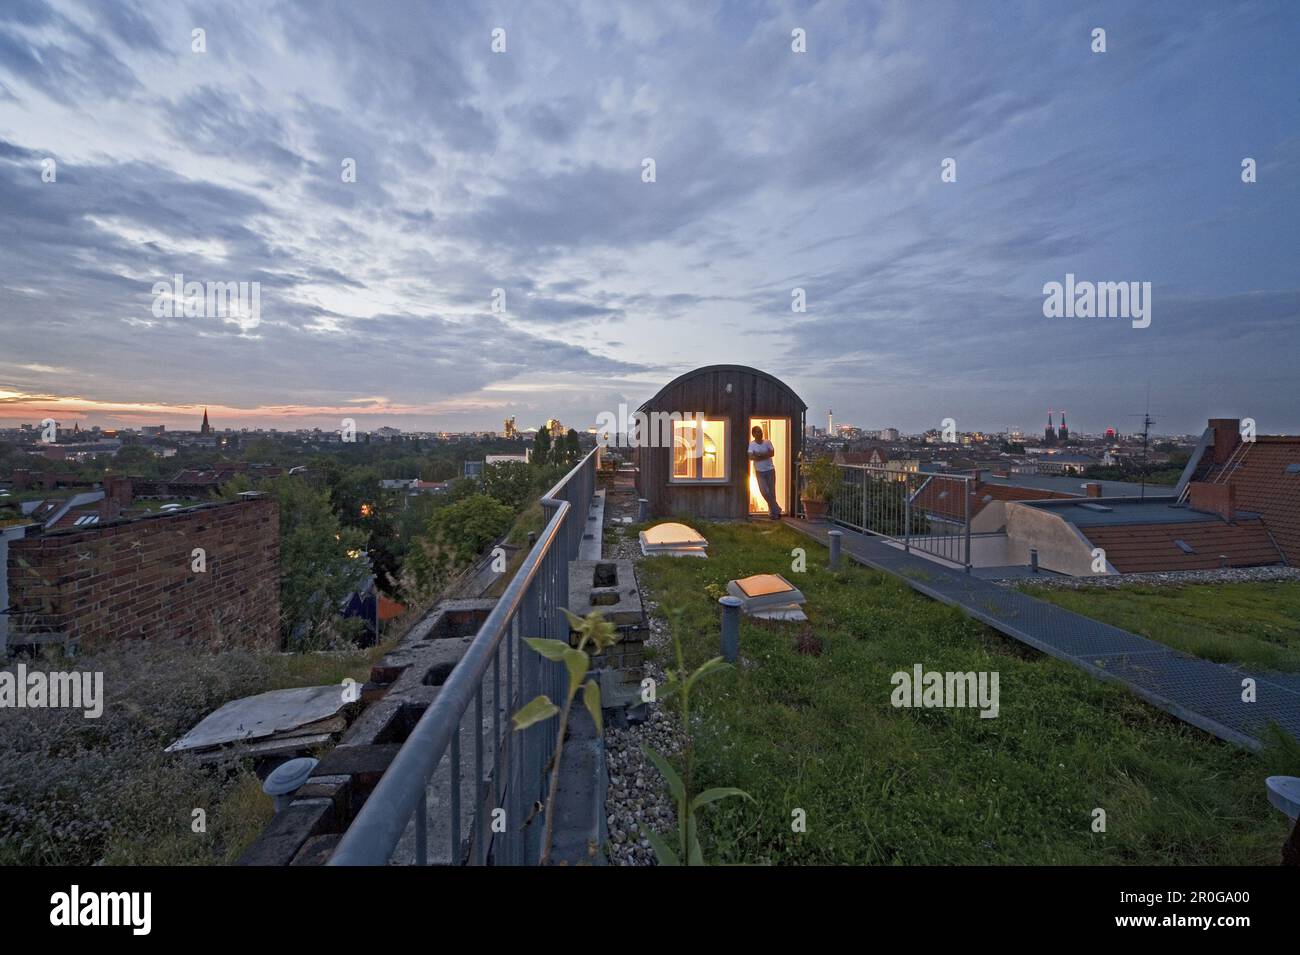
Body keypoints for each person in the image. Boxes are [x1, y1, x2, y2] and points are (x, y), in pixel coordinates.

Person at [748, 425, 781, 519]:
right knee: (764, 492)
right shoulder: (752, 444)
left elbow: (772, 453)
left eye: (761, 431)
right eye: (758, 432)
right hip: (759, 471)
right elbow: (751, 457)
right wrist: (765, 455)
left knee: (771, 492)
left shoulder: (767, 442)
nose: (760, 433)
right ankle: (777, 508)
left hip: (770, 470)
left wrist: (758, 455)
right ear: (753, 434)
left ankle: (773, 514)